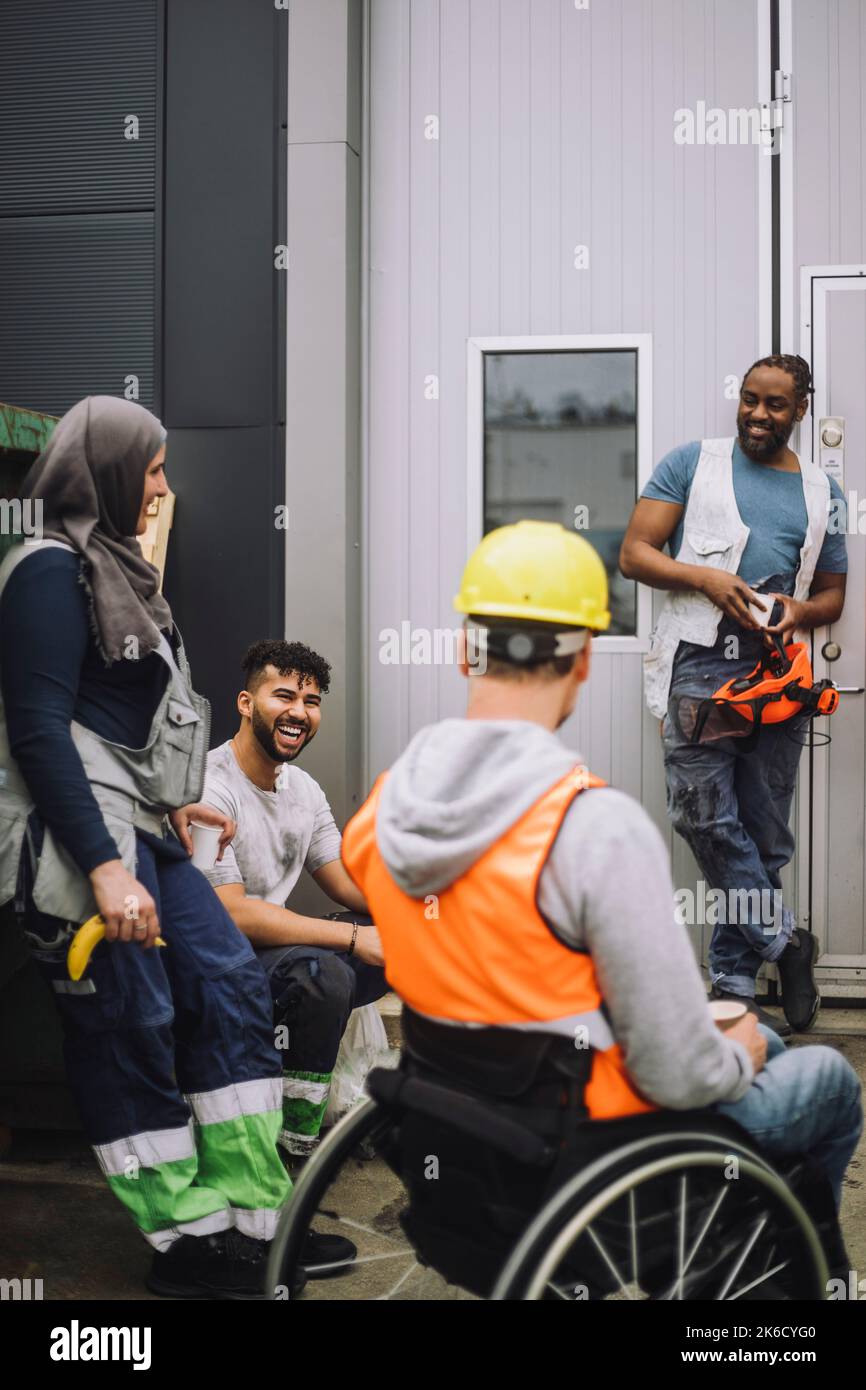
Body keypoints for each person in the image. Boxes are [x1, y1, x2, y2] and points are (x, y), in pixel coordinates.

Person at [341, 521, 861, 1216]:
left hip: (462, 1145)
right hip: (598, 1162)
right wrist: (734, 1059)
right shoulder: (595, 829)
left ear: (466, 653)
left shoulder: (380, 817)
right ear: (584, 659)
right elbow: (676, 1074)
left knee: (754, 1029)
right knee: (822, 1074)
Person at [0, 397, 337, 1299]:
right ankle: (184, 1241)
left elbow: (128, 724)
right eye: (151, 470)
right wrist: (106, 868)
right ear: (105, 472)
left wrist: (181, 806)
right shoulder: (45, 571)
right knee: (129, 1018)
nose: (162, 488)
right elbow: (39, 733)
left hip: (151, 830)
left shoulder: (120, 570)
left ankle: (253, 1221)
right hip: (84, 845)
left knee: (226, 979)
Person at [620, 355, 847, 1036]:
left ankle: (735, 980)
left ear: (800, 411)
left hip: (778, 674)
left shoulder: (821, 490)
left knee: (762, 833)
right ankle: (786, 943)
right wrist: (706, 580)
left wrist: (795, 611)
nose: (756, 414)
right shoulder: (693, 462)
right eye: (750, 399)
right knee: (703, 819)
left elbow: (832, 596)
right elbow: (635, 553)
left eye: (775, 405)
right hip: (699, 665)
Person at [200, 640, 388, 1159]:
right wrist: (354, 937)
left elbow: (344, 882)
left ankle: (307, 1079)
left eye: (311, 701)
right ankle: (292, 1153)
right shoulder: (211, 788)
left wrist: (422, 913)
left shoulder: (302, 788)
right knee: (323, 976)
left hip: (275, 954)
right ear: (245, 703)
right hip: (217, 961)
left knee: (397, 943)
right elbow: (231, 914)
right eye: (284, 696)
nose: (299, 713)